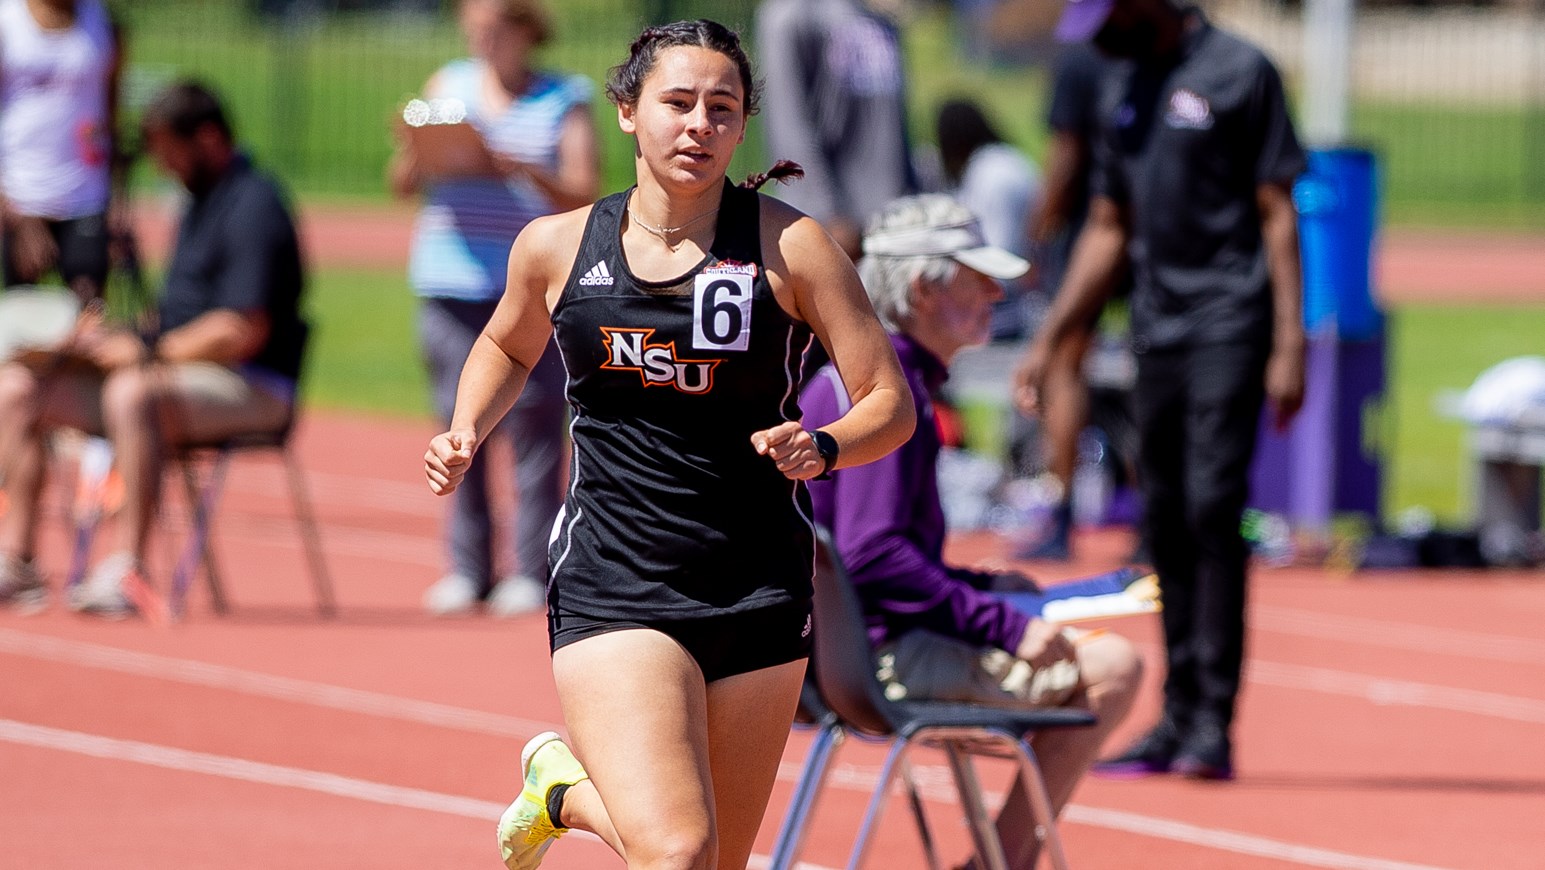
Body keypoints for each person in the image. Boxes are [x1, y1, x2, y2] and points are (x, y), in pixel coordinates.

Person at [421, 20, 914, 870]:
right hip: (617, 580)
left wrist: (825, 446)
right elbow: (506, 343)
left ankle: (560, 794)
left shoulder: (788, 247)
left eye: (721, 109)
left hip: (759, 586)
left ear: (743, 124)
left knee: (713, 862)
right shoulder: (558, 246)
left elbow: (889, 401)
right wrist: (468, 424)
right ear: (626, 112)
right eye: (677, 103)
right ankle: (564, 792)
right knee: (677, 850)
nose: (698, 126)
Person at [801, 194, 1142, 869]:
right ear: (924, 288)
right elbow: (872, 557)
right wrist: (1004, 625)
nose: (993, 292)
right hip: (873, 661)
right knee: (1114, 665)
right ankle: (998, 863)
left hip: (840, 650)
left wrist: (980, 587)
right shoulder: (888, 396)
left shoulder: (850, 378)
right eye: (974, 275)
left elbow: (861, 551)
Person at [1016, 0, 1308, 780]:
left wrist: (1289, 342)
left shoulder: (1240, 71)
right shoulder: (1123, 86)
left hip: (1230, 324)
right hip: (1157, 330)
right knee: (1165, 521)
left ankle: (1212, 719)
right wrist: (1050, 339)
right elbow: (1108, 225)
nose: (1097, 37)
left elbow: (1277, 213)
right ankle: (1176, 715)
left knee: (1212, 510)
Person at [0, 81, 307, 616]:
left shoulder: (255, 203)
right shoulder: (198, 202)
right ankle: (16, 558)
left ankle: (126, 569)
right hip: (174, 370)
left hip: (249, 382)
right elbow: (172, 318)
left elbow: (241, 331)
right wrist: (102, 340)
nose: (163, 165)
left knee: (131, 393)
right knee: (21, 386)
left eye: (170, 150)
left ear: (207, 138)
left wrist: (147, 352)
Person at [389, 0, 599, 617]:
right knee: (459, 426)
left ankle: (530, 568)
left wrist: (520, 166)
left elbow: (584, 189)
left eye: (493, 27)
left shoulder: (565, 96)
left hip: (531, 289)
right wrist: (421, 151)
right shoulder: (447, 86)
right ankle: (467, 567)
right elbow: (401, 185)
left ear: (524, 30)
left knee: (536, 427)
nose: (482, 38)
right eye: (472, 27)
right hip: (450, 280)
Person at [755, 0, 918, 262]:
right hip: (836, 228)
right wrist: (826, 216)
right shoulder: (789, 16)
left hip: (894, 225)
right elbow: (789, 123)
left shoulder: (881, 21)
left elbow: (898, 129)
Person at [0, 0, 123, 302]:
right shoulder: (8, 19)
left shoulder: (100, 18)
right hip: (22, 195)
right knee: (23, 321)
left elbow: (111, 111)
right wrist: (9, 208)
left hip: (86, 195)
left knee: (89, 314)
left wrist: (116, 195)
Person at [934, 98, 1041, 341]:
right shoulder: (1006, 160)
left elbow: (999, 254)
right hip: (1029, 288)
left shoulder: (991, 174)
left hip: (1012, 300)